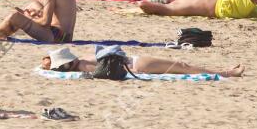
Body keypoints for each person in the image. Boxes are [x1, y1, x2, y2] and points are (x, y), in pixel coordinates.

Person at [41, 46, 244, 78]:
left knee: (180, 67)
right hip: (136, 64)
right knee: (181, 67)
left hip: (133, 63)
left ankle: (225, 72)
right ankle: (225, 73)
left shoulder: (80, 62)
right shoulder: (83, 64)